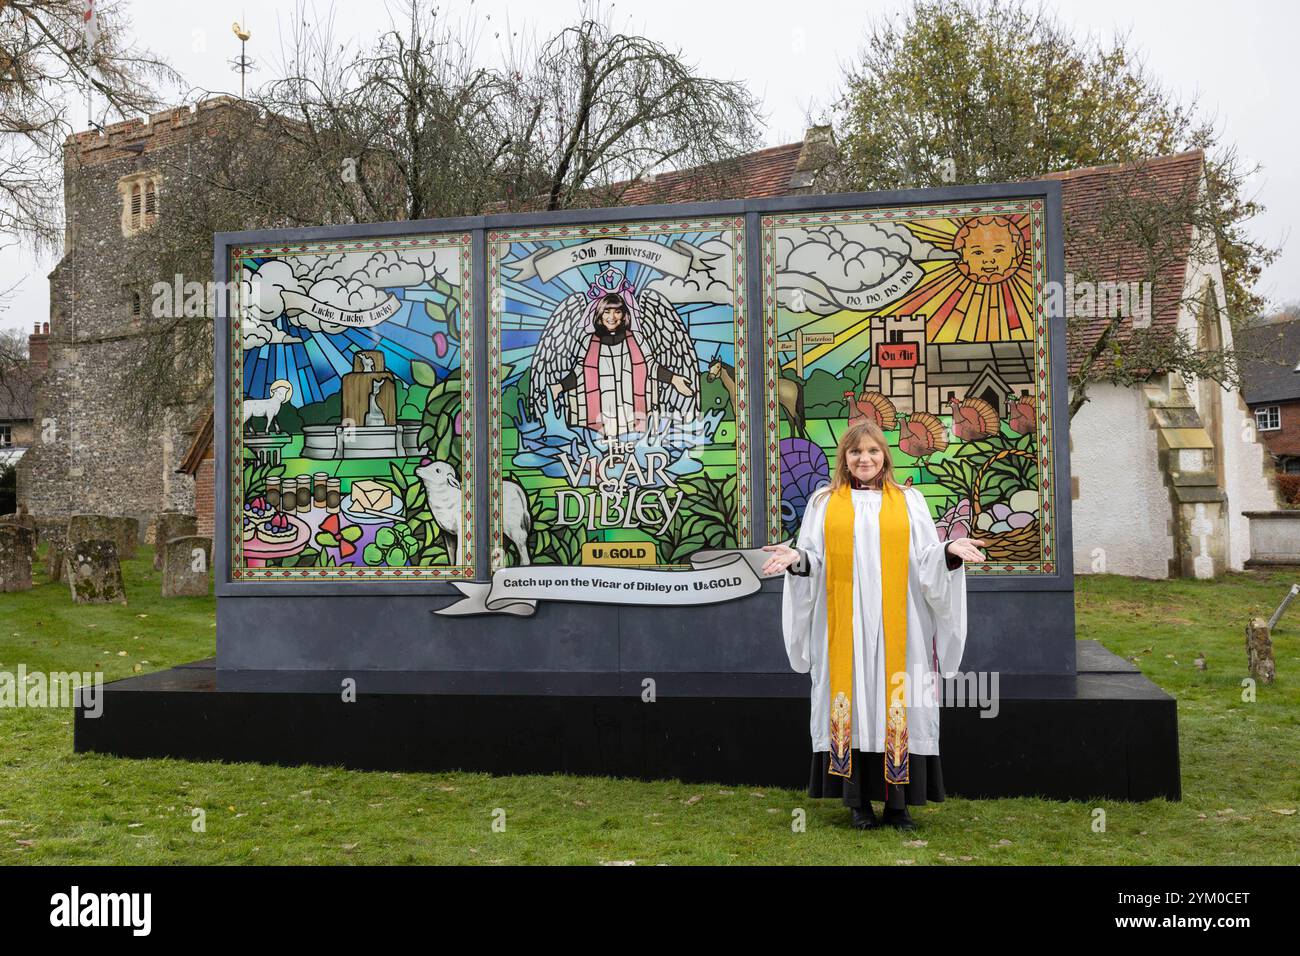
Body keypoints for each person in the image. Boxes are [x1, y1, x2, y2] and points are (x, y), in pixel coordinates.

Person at [761, 420, 985, 831]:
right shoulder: (824, 503)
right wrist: (797, 559)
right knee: (856, 703)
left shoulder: (909, 500)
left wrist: (949, 551)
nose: (864, 459)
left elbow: (925, 560)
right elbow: (815, 558)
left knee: (899, 702)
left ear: (885, 456)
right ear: (844, 459)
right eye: (855, 452)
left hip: (901, 625)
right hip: (844, 624)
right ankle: (857, 802)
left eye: (873, 452)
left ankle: (898, 805)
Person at [549, 292, 692, 439]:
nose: (612, 317)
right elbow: (580, 372)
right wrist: (560, 387)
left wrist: (673, 378)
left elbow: (651, 366)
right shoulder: (589, 342)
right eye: (607, 311)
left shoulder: (636, 338)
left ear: (624, 315)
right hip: (601, 412)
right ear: (600, 314)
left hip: (631, 412)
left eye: (617, 312)